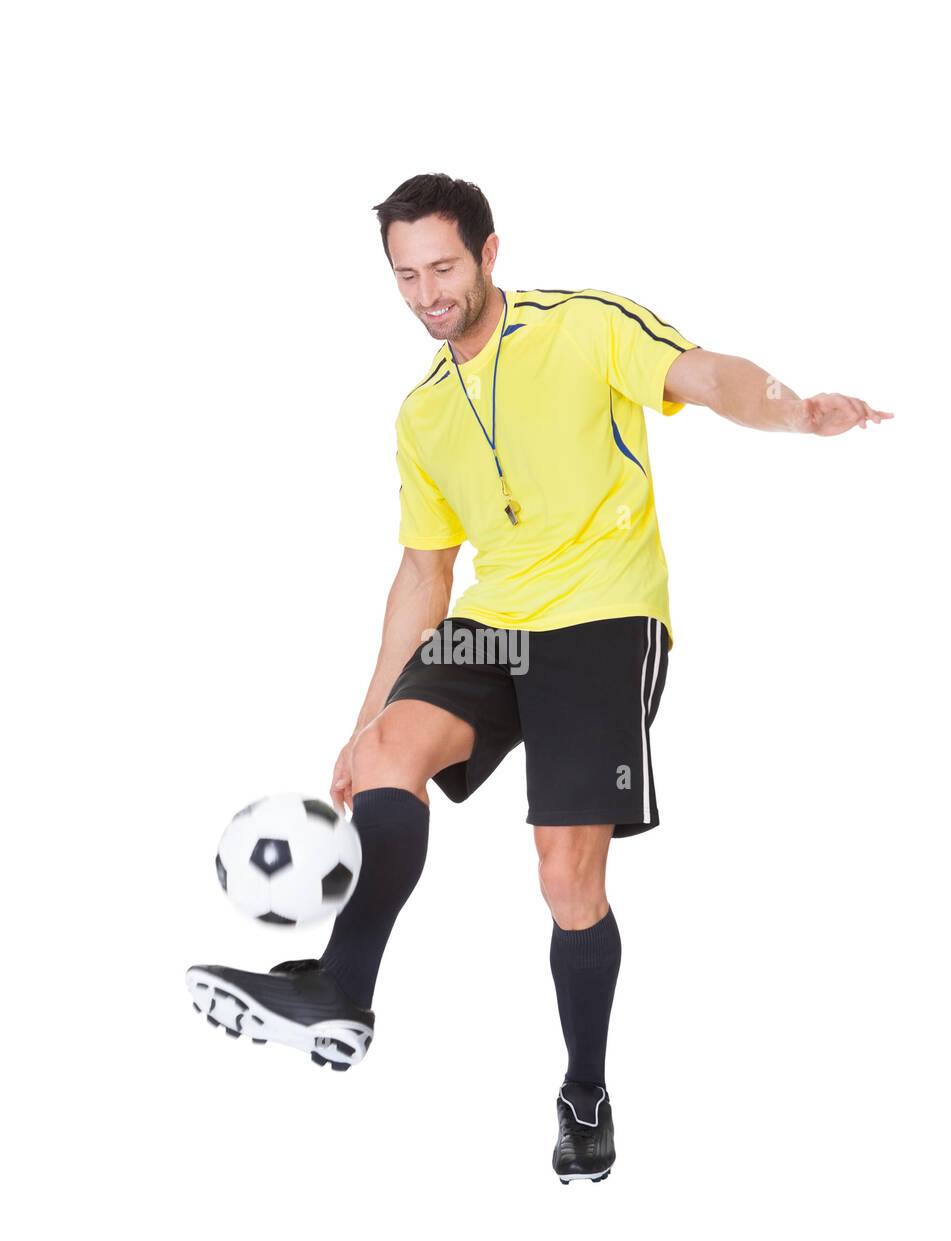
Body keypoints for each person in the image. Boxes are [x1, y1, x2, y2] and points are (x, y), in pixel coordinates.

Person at [186, 173, 892, 1185]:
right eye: (405, 276)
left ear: (487, 254)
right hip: (495, 629)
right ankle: (340, 989)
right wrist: (360, 723)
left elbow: (705, 375)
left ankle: (585, 1091)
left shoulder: (583, 326)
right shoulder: (423, 412)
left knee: (566, 878)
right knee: (390, 747)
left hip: (603, 621)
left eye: (442, 267)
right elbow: (426, 571)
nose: (427, 292)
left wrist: (794, 410)